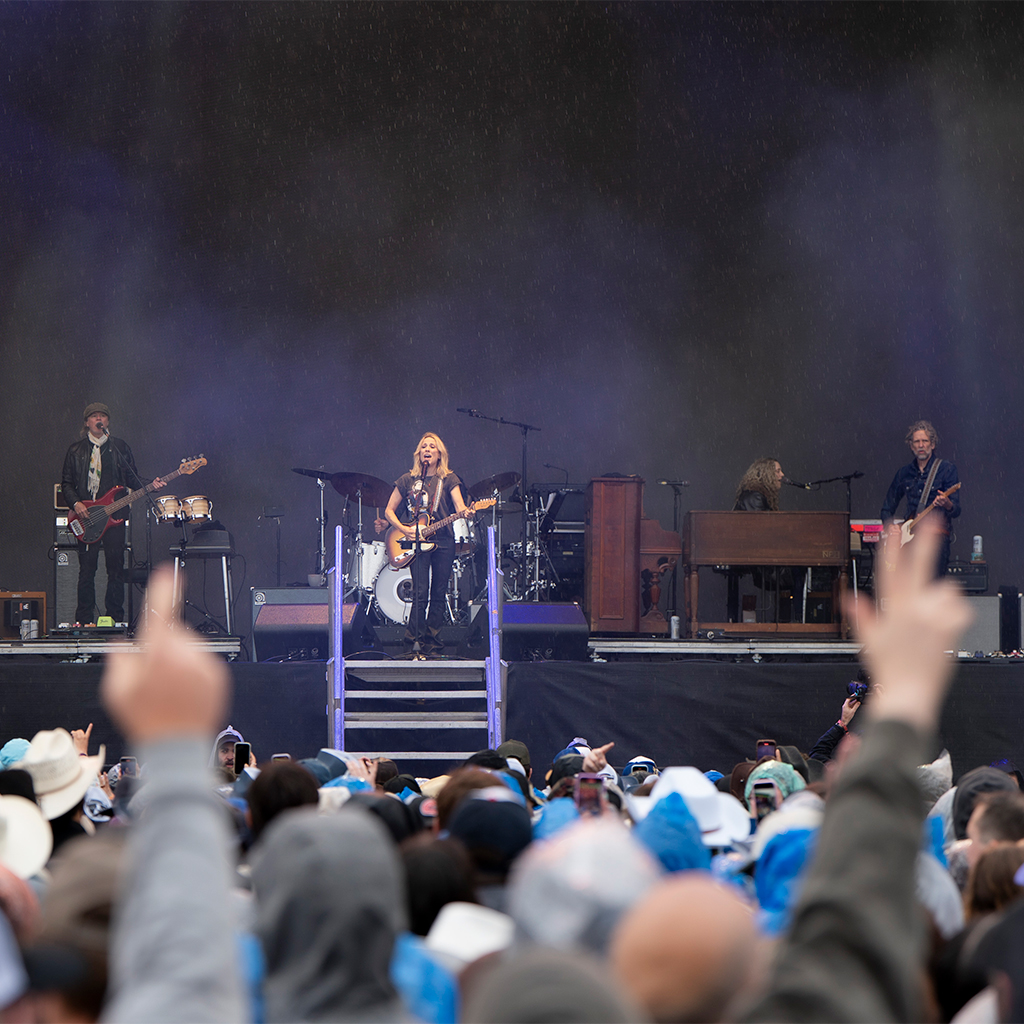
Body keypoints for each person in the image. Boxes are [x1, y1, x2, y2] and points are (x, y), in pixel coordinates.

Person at [60, 402, 164, 625]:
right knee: (87, 571)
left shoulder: (119, 448)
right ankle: (84, 620)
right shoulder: (76, 450)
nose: (99, 420)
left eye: (103, 417)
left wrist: (151, 484)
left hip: (114, 517)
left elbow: (132, 478)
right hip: (86, 517)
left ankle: (114, 619)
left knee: (115, 569)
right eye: (95, 416)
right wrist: (76, 503)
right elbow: (66, 483)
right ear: (87, 422)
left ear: (108, 422)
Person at [384, 433, 471, 657]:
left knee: (439, 592)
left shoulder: (449, 479)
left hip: (443, 541)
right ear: (418, 453)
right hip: (417, 541)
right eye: (424, 446)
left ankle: (432, 642)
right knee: (420, 592)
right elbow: (389, 511)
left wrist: (466, 512)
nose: (428, 449)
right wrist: (406, 530)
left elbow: (459, 506)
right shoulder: (407, 480)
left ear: (439, 453)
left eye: (432, 446)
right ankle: (412, 641)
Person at [881, 419, 960, 578]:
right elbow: (886, 508)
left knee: (932, 591)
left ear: (932, 444)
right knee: (908, 588)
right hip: (909, 541)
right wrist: (891, 527)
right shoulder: (904, 473)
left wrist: (947, 503)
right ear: (911, 446)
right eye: (917, 442)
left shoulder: (946, 469)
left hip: (936, 541)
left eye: (925, 441)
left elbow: (956, 510)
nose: (921, 445)